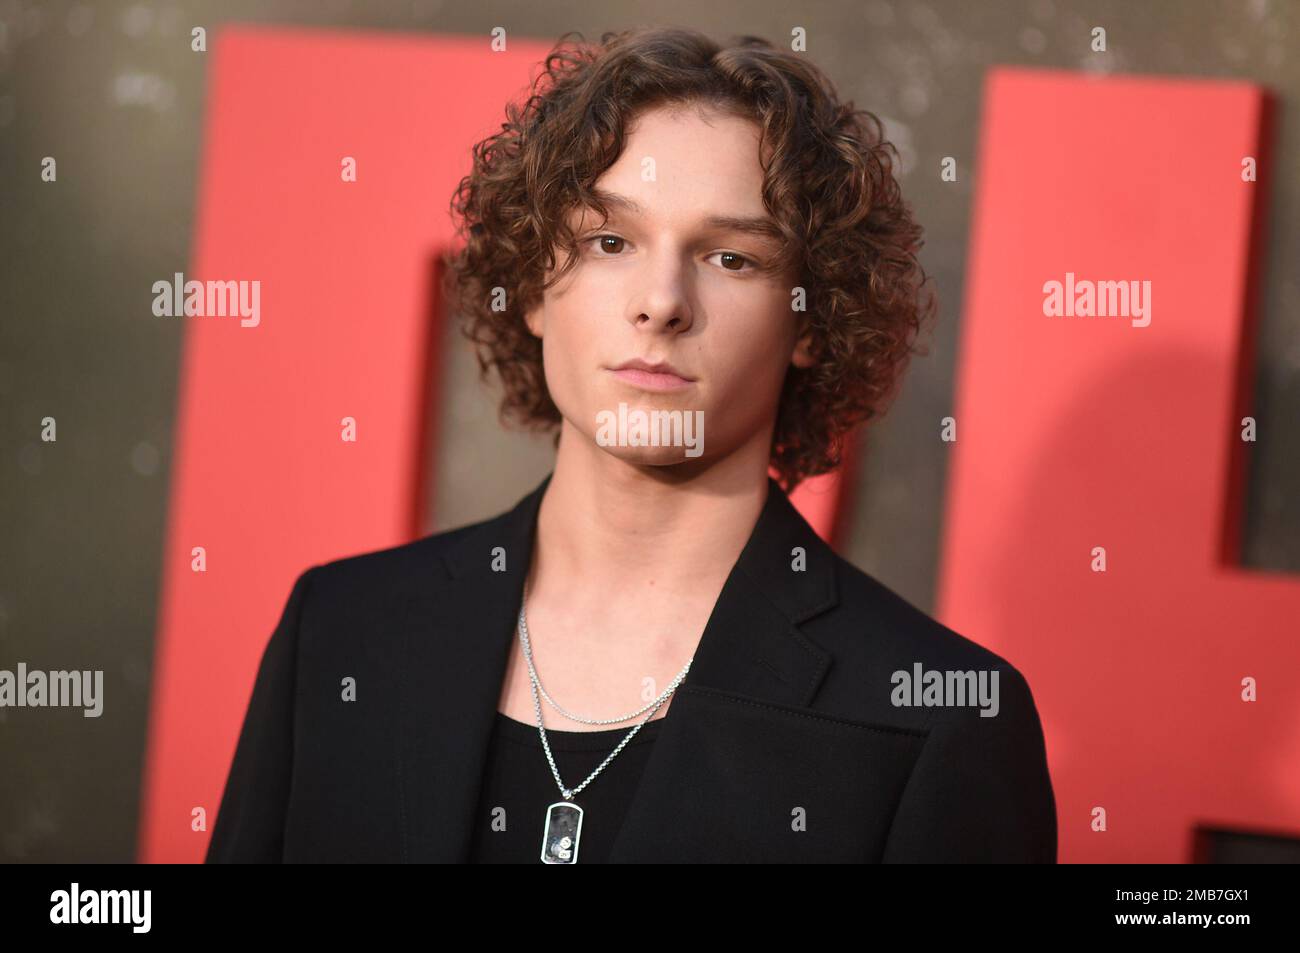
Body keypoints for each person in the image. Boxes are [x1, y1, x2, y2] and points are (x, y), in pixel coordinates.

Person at [207, 26, 1056, 864]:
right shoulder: (342, 632)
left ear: (810, 318)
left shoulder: (937, 722)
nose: (662, 301)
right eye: (609, 242)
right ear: (535, 287)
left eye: (730, 257)